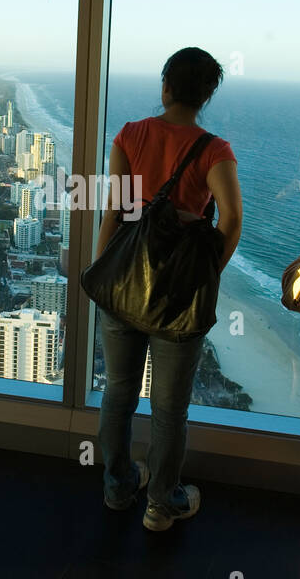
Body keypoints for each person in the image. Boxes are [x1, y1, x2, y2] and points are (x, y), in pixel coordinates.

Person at [94, 47, 243, 532]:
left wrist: (104, 269)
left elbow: (114, 212)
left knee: (118, 392)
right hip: (178, 294)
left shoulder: (129, 136)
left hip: (125, 283)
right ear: (206, 96)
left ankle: (118, 488)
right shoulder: (214, 150)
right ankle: (162, 503)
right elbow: (232, 220)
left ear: (166, 87)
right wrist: (207, 273)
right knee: (169, 407)